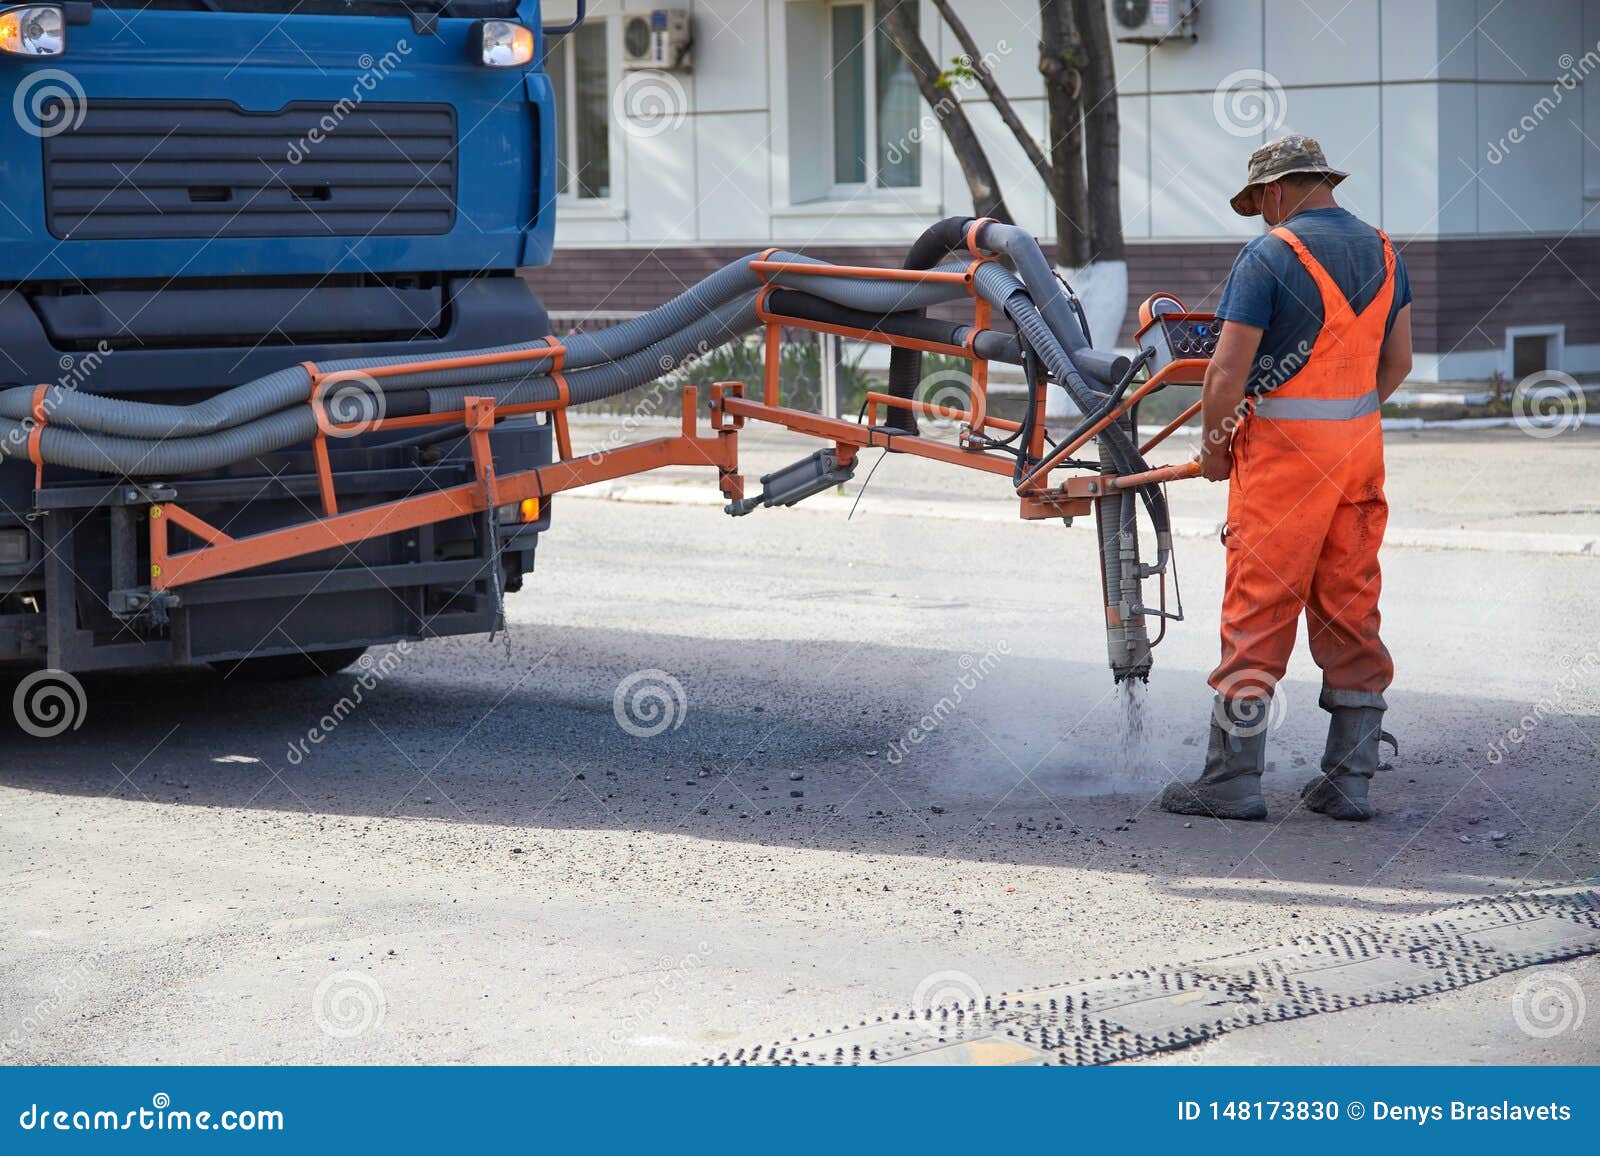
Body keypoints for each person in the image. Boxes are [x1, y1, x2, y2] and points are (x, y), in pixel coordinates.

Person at [1158, 135, 1413, 823]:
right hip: (1359, 457)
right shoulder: (1386, 251)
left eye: (1260, 204)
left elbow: (1225, 372)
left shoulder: (1270, 255)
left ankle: (1232, 781)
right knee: (1352, 605)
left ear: (1274, 191)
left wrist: (1214, 450)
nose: (1263, 217)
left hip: (1283, 464)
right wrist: (1344, 418)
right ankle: (1350, 780)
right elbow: (1399, 362)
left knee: (1259, 608)